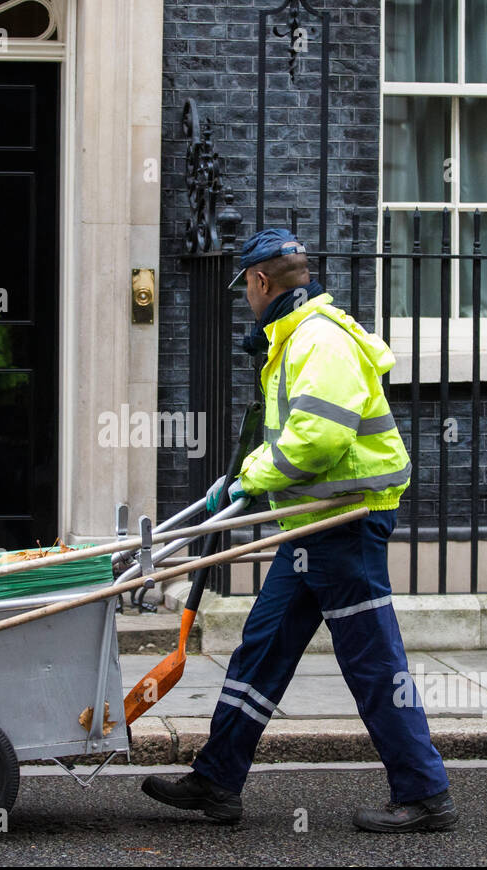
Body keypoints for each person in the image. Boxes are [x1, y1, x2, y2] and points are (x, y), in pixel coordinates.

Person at [140, 228, 456, 833]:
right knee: (261, 649)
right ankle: (217, 781)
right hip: (313, 528)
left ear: (260, 282)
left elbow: (318, 439)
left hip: (346, 525)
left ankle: (425, 793)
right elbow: (291, 431)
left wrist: (250, 480)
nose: (248, 303)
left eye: (247, 291)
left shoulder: (320, 340)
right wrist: (234, 479)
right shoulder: (295, 339)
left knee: (373, 661)